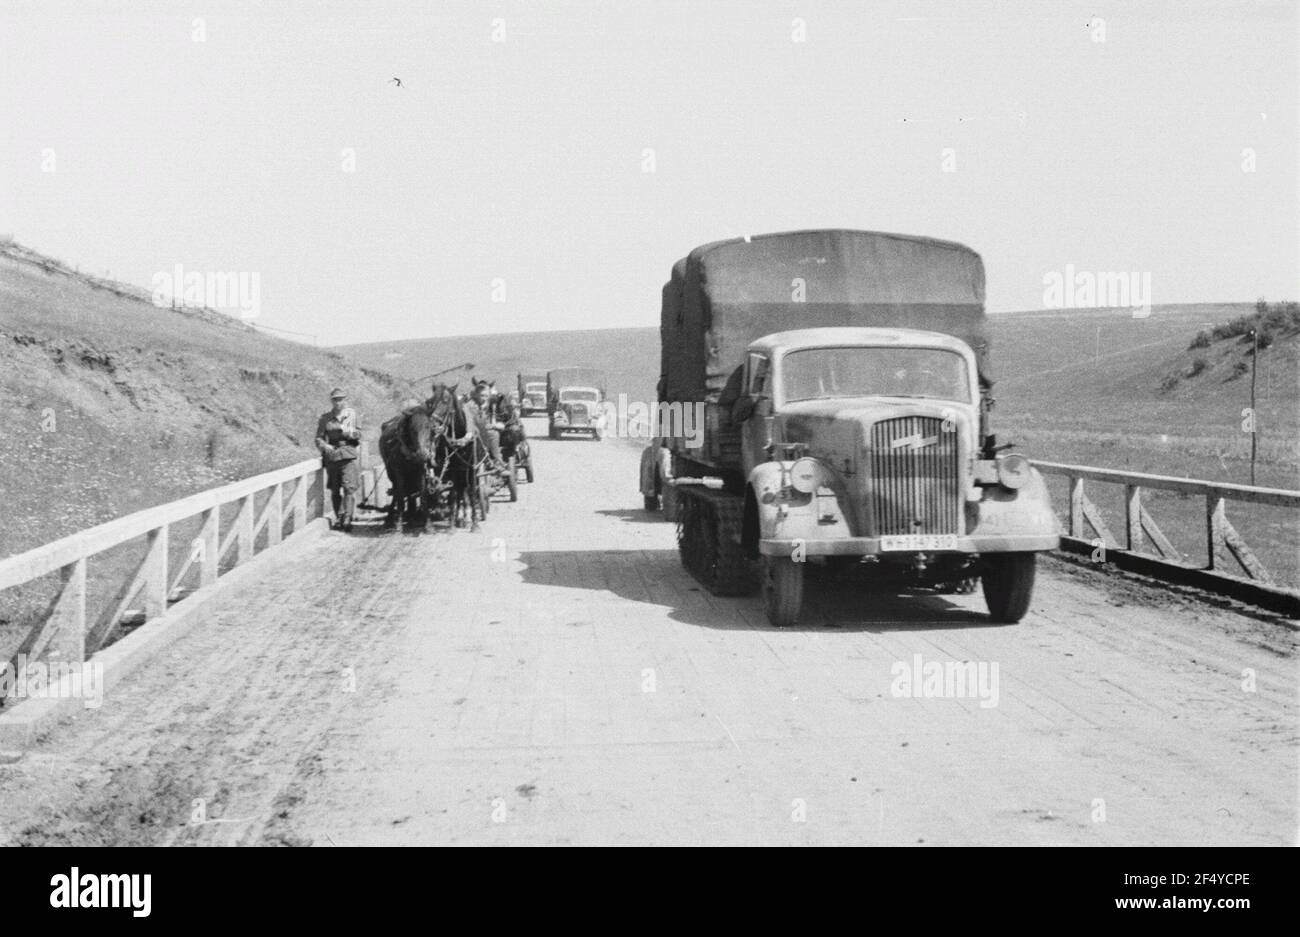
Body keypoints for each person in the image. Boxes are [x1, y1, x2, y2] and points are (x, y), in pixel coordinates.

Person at [315, 387, 361, 531]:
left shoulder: (352, 415)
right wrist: (324, 446)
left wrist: (348, 432)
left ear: (345, 400)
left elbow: (359, 434)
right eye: (335, 400)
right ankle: (339, 517)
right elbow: (318, 438)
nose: (338, 402)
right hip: (332, 457)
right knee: (335, 490)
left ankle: (347, 518)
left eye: (340, 399)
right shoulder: (325, 419)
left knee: (349, 488)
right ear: (331, 401)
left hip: (348, 455)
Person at [461, 381, 507, 475]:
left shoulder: (488, 405)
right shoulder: (469, 405)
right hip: (473, 432)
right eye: (482, 396)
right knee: (490, 434)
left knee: (494, 434)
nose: (484, 398)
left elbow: (495, 421)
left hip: (485, 432)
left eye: (486, 396)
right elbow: (469, 419)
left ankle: (496, 460)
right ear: (476, 395)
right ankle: (488, 460)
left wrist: (493, 425)